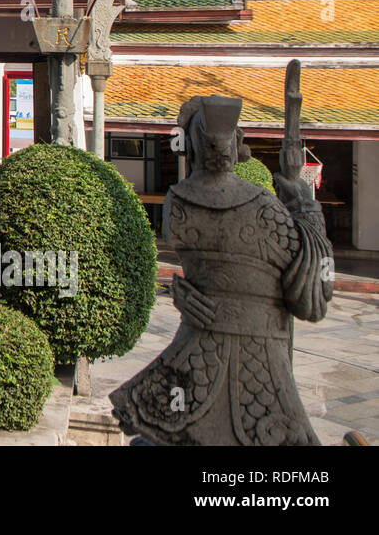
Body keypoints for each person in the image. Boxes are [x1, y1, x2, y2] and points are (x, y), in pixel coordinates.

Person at [110, 95, 333, 445]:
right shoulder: (263, 208)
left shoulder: (177, 205)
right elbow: (313, 300)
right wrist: (306, 210)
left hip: (199, 356)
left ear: (192, 147)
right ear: (239, 144)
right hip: (260, 368)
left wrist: (185, 290)